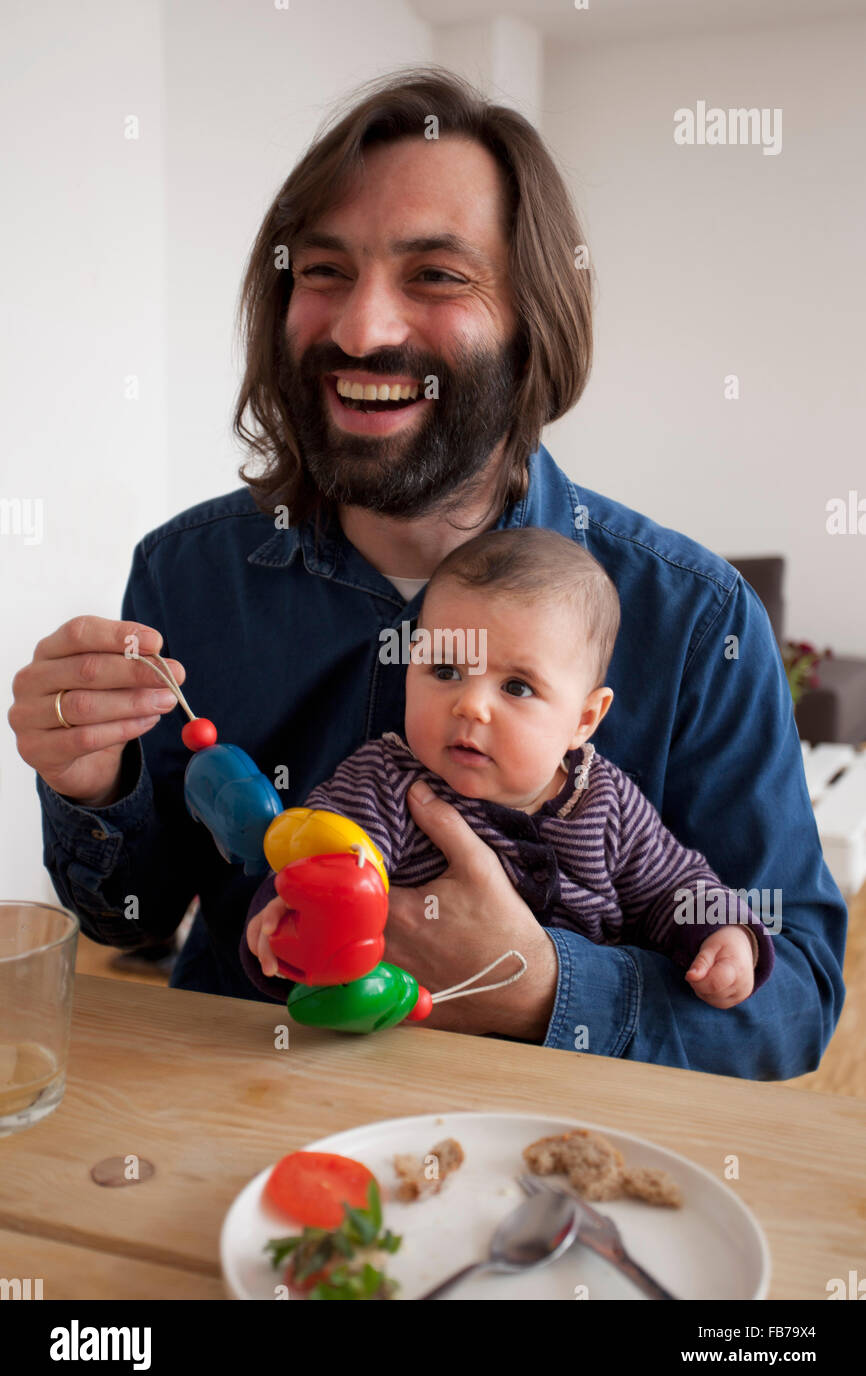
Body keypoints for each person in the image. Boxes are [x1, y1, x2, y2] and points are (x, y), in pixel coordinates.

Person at [6, 66, 845, 1076]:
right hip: (238, 1127)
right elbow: (129, 915)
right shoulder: (187, 573)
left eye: (435, 276)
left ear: (533, 317)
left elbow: (791, 1001)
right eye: (322, 271)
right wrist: (96, 786)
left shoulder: (696, 617)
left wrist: (541, 989)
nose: (361, 329)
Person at [243, 527, 776, 1012]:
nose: (471, 706)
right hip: (407, 1051)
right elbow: (330, 857)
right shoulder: (385, 781)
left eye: (517, 687)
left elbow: (672, 886)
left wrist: (724, 933)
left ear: (584, 720)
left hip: (568, 1060)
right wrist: (286, 917)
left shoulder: (607, 803)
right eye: (446, 670)